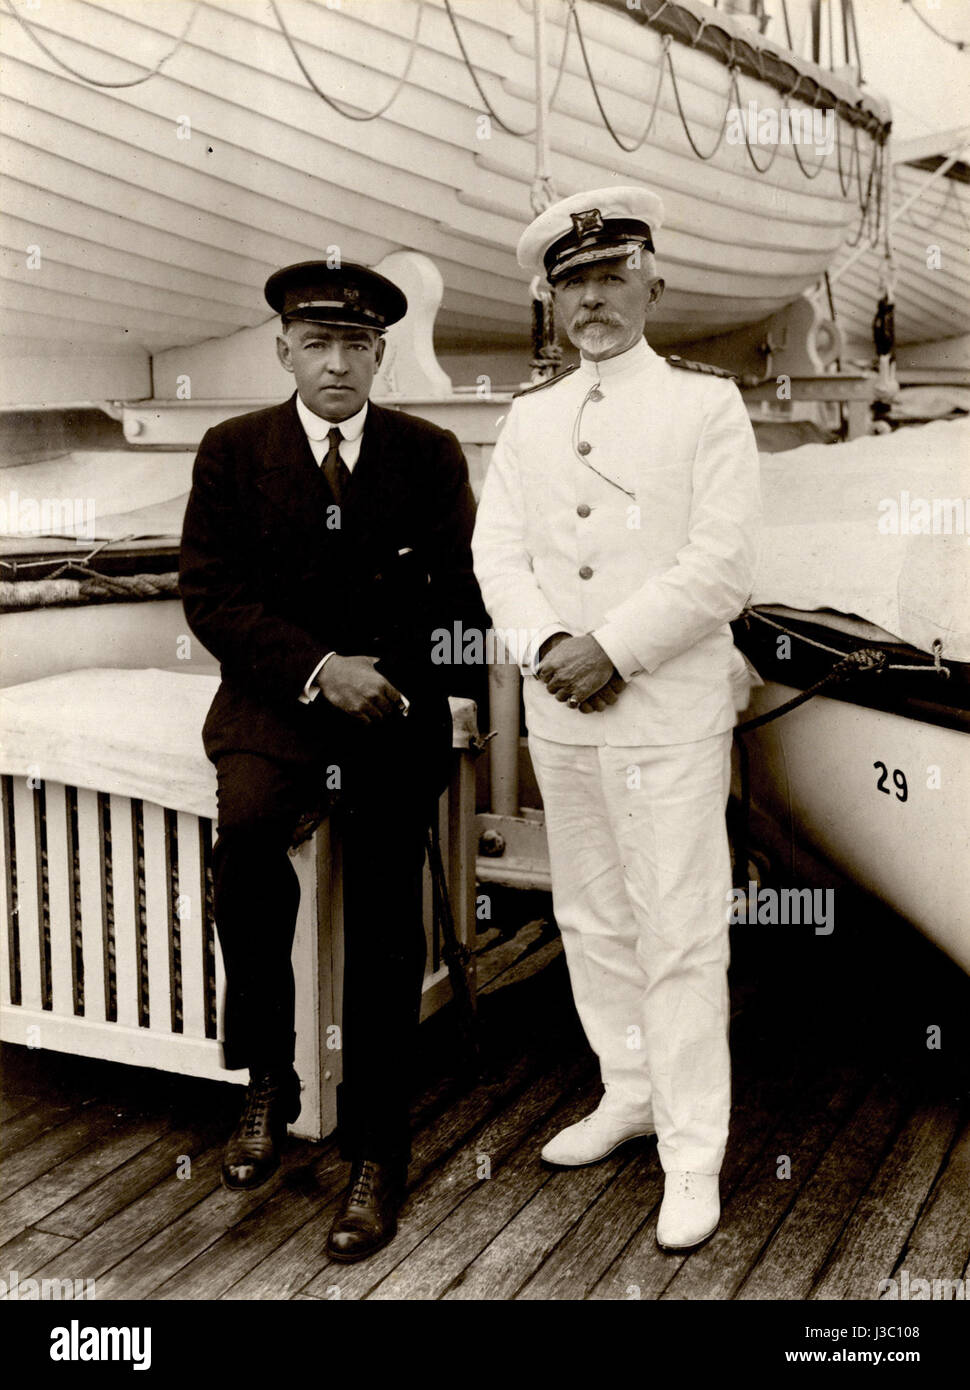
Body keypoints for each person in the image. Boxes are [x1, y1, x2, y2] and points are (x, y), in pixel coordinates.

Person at [179, 260, 486, 1262]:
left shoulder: (428, 455)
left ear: (380, 355)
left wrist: (417, 688)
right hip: (277, 704)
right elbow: (213, 600)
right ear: (283, 351)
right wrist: (318, 668)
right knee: (250, 835)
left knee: (388, 908)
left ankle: (375, 1149)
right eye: (317, 343)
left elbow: (456, 607)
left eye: (357, 345)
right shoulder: (232, 451)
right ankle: (267, 1078)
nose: (338, 363)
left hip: (391, 707)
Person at [472, 188, 761, 1250]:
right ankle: (628, 1091)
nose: (591, 298)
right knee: (591, 916)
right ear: (551, 302)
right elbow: (497, 553)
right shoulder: (531, 416)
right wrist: (549, 643)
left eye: (608, 275)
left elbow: (721, 564)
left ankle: (693, 1152)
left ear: (651, 280)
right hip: (564, 709)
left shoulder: (704, 406)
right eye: (571, 282)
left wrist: (614, 647)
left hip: (664, 711)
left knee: (680, 930)